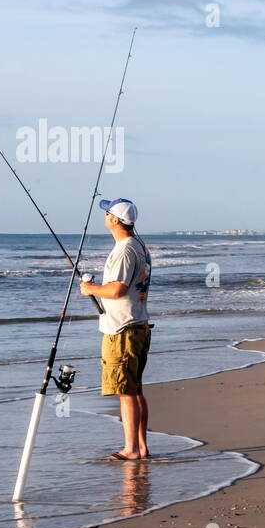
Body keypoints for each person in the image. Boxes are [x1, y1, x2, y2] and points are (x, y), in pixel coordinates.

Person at [79, 197, 152, 460]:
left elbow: (117, 290)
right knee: (135, 389)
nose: (105, 216)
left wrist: (90, 289)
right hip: (138, 325)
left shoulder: (124, 250)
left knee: (126, 391)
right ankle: (141, 447)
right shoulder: (139, 246)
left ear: (115, 220)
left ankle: (131, 449)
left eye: (107, 212)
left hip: (122, 330)